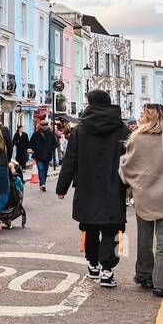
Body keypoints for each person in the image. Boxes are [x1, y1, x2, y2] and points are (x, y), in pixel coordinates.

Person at [56, 90, 128, 288]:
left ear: (92, 104)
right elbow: (129, 161)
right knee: (112, 230)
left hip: (87, 187)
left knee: (89, 227)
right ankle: (107, 271)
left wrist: (61, 188)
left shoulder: (81, 129)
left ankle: (93, 265)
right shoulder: (121, 129)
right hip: (114, 187)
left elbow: (70, 160)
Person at [120, 103, 163, 297]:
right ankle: (161, 285)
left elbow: (127, 167)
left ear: (149, 118)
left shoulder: (137, 138)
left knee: (144, 240)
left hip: (144, 195)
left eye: (142, 114)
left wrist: (131, 183)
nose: (139, 117)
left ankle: (145, 276)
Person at [30, 118, 57, 191]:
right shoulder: (36, 134)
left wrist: (51, 149)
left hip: (47, 156)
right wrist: (35, 150)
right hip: (39, 156)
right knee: (41, 169)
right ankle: (42, 184)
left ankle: (43, 183)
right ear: (40, 126)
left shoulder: (51, 134)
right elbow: (31, 143)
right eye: (43, 125)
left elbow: (55, 144)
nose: (45, 126)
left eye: (46, 125)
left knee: (45, 171)